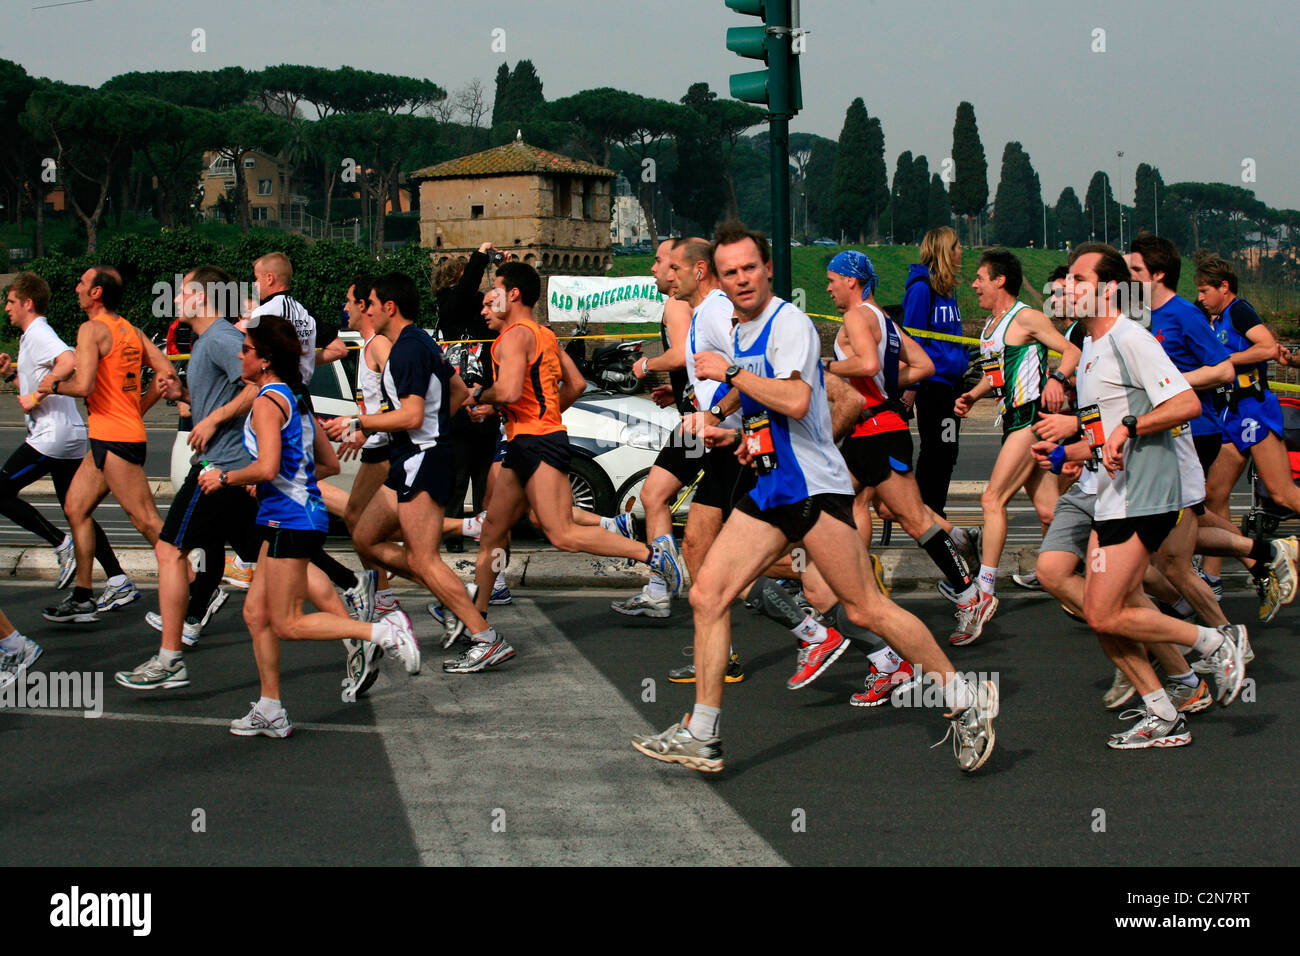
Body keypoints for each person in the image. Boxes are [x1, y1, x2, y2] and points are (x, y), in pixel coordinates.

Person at [631, 222, 998, 774]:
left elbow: (800, 400)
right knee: (708, 595)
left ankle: (965, 700)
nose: (741, 279)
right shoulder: (739, 329)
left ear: (768, 269)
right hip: (770, 487)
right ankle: (702, 733)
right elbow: (749, 391)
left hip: (814, 489)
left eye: (749, 268)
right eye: (730, 272)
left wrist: (728, 374)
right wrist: (718, 420)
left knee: (865, 606)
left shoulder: (790, 323)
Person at [1029, 243, 1247, 749]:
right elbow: (1104, 431)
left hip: (1144, 495)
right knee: (1102, 611)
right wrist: (1069, 455)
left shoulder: (1131, 338)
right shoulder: (1090, 350)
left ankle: (1215, 643)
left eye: (1080, 280)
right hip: (1110, 494)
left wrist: (1130, 426)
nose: (1067, 288)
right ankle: (1164, 708)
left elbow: (1187, 402)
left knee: (1104, 611)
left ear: (1108, 290)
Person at [199, 314, 418, 737]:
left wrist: (226, 477)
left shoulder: (266, 402)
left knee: (286, 623)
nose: (240, 356)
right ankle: (270, 708)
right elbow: (327, 463)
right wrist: (281, 480)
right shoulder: (293, 396)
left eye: (245, 350)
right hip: (291, 515)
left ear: (264, 360)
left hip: (290, 519)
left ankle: (381, 631)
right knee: (254, 614)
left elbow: (264, 467)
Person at [465, 262, 684, 668]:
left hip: (534, 444)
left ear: (513, 294)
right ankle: (476, 622)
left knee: (561, 533)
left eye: (494, 288)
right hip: (530, 440)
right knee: (493, 530)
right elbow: (577, 385)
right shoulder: (545, 334)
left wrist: (477, 393)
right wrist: (542, 416)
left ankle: (653, 557)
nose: (489, 297)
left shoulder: (512, 337)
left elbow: (510, 390)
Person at [821, 251, 983, 698]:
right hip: (875, 427)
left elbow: (868, 366)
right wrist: (889, 383)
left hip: (875, 428)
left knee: (914, 519)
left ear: (853, 281)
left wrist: (825, 367)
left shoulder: (857, 316)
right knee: (849, 503)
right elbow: (924, 366)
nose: (829, 287)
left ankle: (968, 592)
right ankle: (857, 591)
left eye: (833, 279)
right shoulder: (884, 320)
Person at [322, 273, 496, 674]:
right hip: (414, 455)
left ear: (389, 307)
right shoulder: (419, 343)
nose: (363, 308)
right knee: (364, 534)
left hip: (422, 458)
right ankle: (442, 596)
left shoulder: (404, 350)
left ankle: (484, 636)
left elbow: (413, 414)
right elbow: (456, 394)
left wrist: (360, 422)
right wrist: (435, 428)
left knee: (422, 558)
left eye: (369, 302)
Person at [114, 266, 267, 689]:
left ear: (201, 297)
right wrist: (183, 395)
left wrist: (214, 417)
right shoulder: (206, 343)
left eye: (182, 291)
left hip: (217, 468)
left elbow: (262, 385)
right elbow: (226, 393)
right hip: (228, 469)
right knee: (271, 555)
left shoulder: (220, 337)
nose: (176, 298)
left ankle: (169, 658)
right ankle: (354, 600)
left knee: (169, 551)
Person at [952, 250, 1080, 642]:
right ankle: (1088, 584)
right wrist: (973, 396)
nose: (973, 284)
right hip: (1011, 420)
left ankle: (984, 593)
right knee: (1047, 510)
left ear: (1000, 280)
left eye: (979, 278)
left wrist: (1058, 379)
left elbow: (1072, 351)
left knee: (992, 500)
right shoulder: (991, 327)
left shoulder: (1027, 317)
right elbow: (996, 376)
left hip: (1030, 419)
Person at [37, 266, 174, 622]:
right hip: (108, 437)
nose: (77, 287)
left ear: (96, 293)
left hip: (116, 440)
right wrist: (138, 408)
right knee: (75, 507)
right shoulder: (130, 329)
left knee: (145, 521)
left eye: (82, 283)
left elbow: (83, 386)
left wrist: (49, 387)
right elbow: (167, 373)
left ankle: (196, 588)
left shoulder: (91, 329)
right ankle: (83, 596)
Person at [0, 271, 129, 593]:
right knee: (78, 510)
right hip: (67, 434)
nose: (6, 308)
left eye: (11, 301)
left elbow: (69, 361)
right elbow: (39, 386)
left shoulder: (39, 333)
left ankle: (61, 543)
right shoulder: (31, 337)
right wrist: (11, 376)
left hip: (51, 438)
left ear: (28, 303)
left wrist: (36, 396)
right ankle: (117, 578)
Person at [1196, 255, 1300, 591]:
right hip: (1230, 415)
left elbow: (1267, 347)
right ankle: (1213, 577)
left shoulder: (1240, 310)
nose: (1200, 297)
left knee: (1283, 495)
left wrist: (1223, 361)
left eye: (1204, 291)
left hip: (1253, 409)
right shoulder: (1216, 319)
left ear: (1224, 288)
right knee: (1213, 494)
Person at [610, 238, 694, 617]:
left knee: (655, 496)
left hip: (701, 426)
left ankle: (661, 586)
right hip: (697, 419)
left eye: (659, 261)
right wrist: (678, 394)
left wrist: (648, 365)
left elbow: (685, 354)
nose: (653, 268)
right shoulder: (691, 303)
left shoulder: (677, 304)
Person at [435, 243, 504, 562]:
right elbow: (462, 295)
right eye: (466, 276)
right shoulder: (448, 305)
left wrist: (503, 275)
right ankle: (453, 535)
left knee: (483, 476)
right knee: (458, 474)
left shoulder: (479, 307)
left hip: (485, 396)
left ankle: (483, 530)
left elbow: (501, 310)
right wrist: (479, 256)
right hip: (460, 400)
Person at [901, 227, 968, 518]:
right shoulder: (921, 288)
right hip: (933, 385)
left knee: (948, 450)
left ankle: (933, 510)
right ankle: (929, 512)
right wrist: (911, 388)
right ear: (943, 250)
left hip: (953, 384)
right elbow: (912, 340)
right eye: (956, 246)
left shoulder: (948, 289)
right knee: (936, 449)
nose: (961, 250)